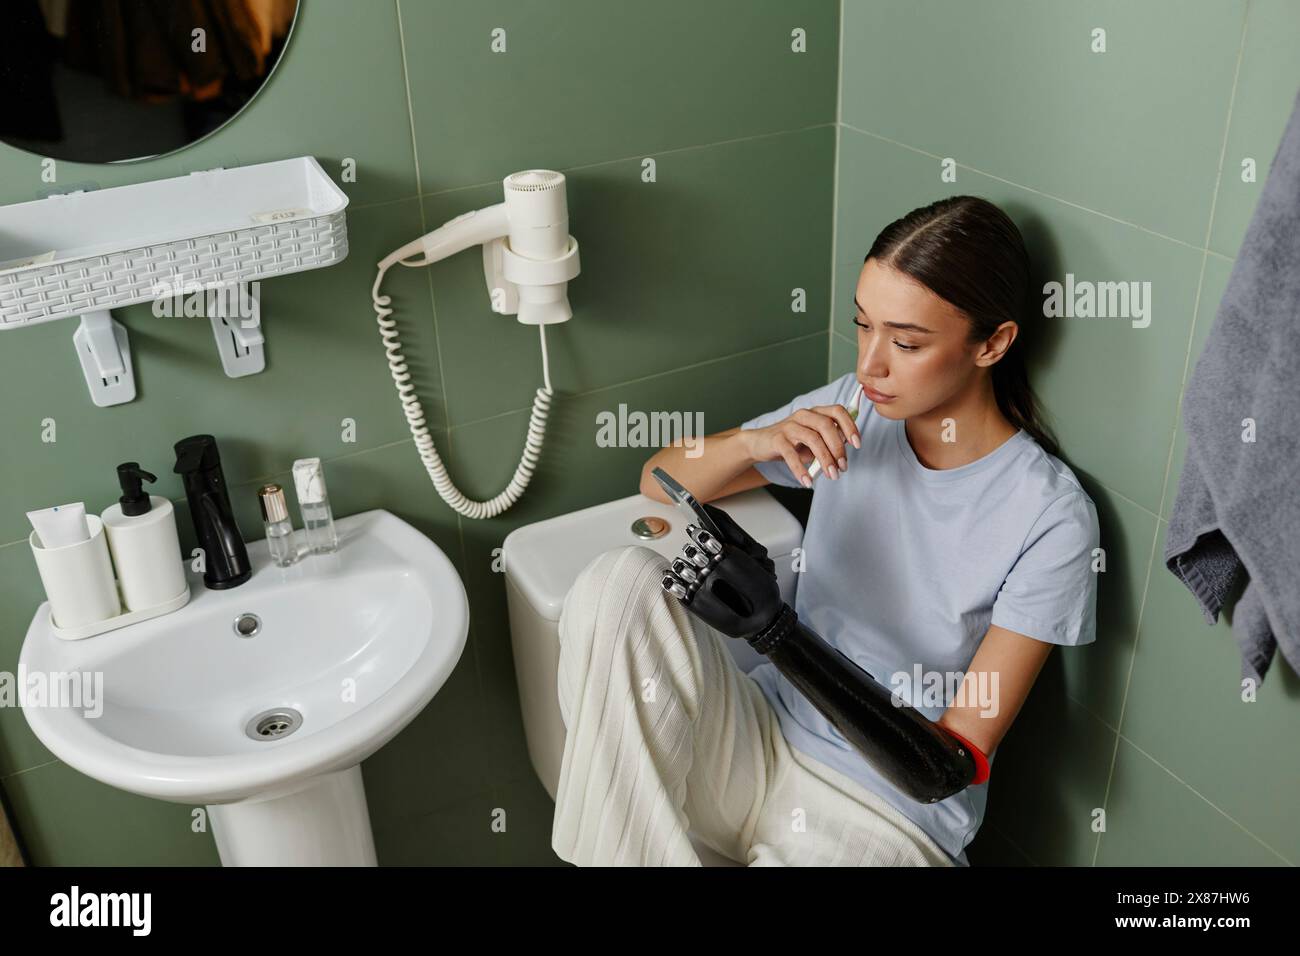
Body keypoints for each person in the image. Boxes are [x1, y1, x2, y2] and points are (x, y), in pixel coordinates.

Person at [551, 195, 1100, 866]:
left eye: (905, 342)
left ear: (992, 343)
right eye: (863, 326)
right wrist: (756, 443)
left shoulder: (1050, 517)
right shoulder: (851, 410)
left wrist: (775, 634)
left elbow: (944, 769)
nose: (871, 364)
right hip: (763, 740)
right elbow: (659, 479)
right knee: (620, 583)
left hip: (884, 814)